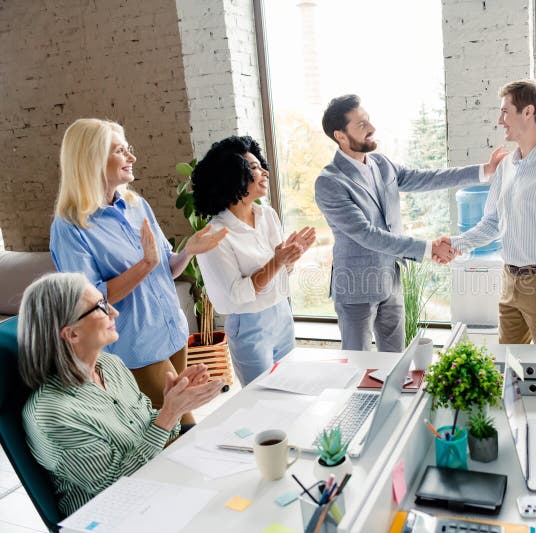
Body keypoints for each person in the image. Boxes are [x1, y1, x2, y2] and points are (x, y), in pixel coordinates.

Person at [49, 118, 228, 425]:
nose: (132, 157)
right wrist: (145, 264)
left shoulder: (136, 205)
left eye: (128, 148)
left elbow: (166, 268)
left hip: (172, 333)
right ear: (92, 159)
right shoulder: (70, 226)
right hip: (137, 347)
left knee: (170, 425)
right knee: (181, 425)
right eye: (121, 151)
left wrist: (188, 250)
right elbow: (92, 302)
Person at [315, 94, 507, 352]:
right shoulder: (330, 182)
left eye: (368, 120)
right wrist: (429, 248)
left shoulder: (381, 164)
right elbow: (367, 234)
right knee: (358, 362)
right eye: (361, 125)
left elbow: (427, 178)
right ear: (340, 135)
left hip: (391, 280)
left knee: (396, 358)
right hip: (356, 287)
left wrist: (485, 170)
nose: (372, 128)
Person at [19, 272, 223, 516]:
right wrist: (169, 414)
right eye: (100, 307)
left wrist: (174, 402)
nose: (114, 312)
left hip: (162, 487)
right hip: (116, 518)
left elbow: (149, 428)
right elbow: (115, 485)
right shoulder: (51, 414)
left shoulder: (111, 365)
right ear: (72, 334)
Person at [438, 79, 536, 362]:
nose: (500, 120)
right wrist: (456, 244)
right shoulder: (508, 165)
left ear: (528, 112)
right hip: (510, 281)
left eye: (505, 111)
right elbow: (492, 223)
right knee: (508, 368)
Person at [192, 136, 316, 385]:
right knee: (262, 397)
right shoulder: (214, 234)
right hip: (249, 324)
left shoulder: (267, 215)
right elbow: (235, 294)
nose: (265, 173)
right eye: (255, 168)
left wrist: (289, 258)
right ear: (232, 176)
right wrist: (276, 262)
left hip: (282, 314)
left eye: (262, 166)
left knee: (290, 388)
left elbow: (281, 272)